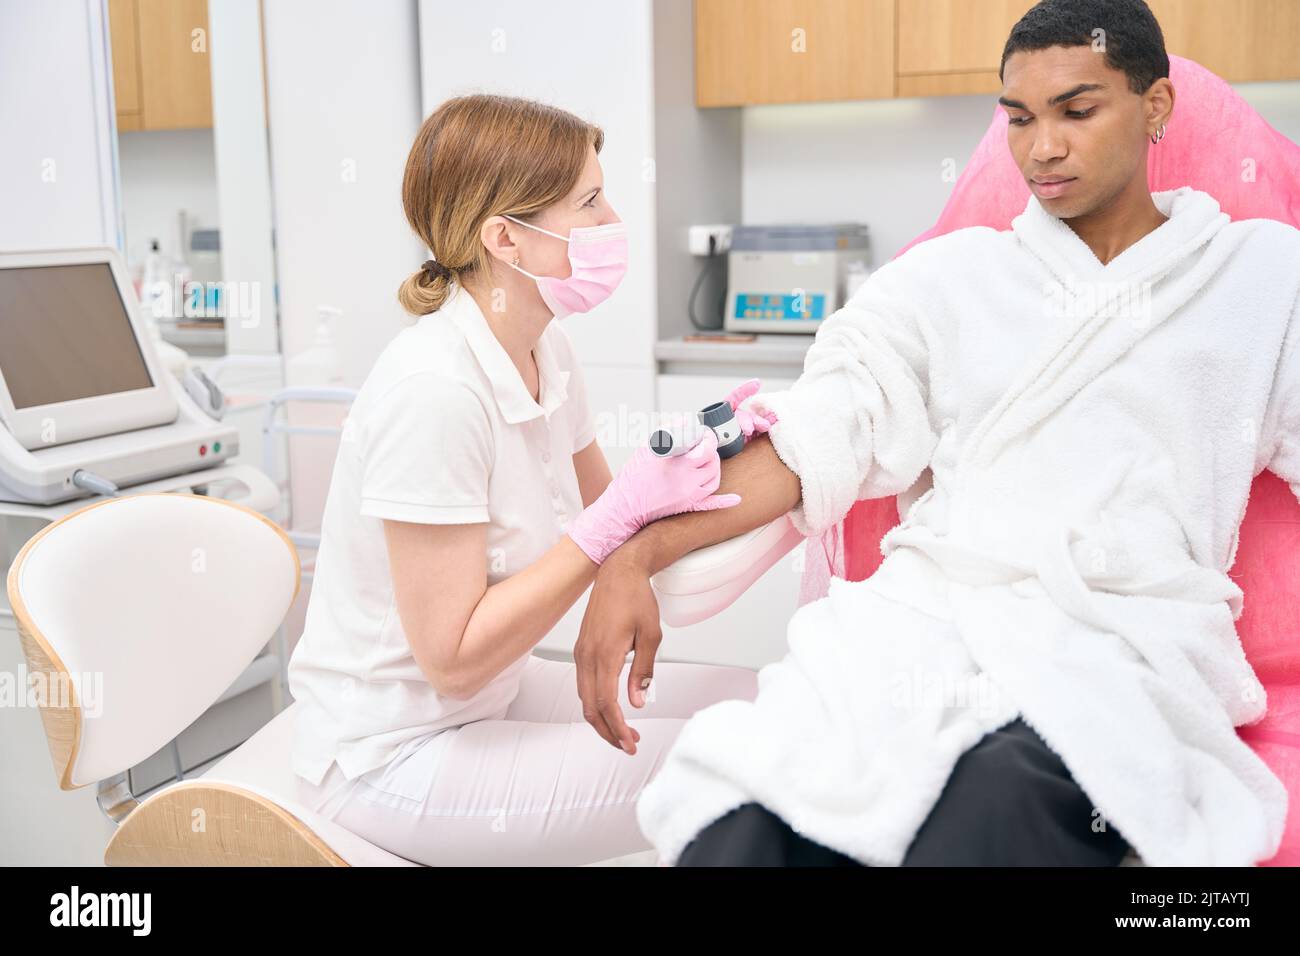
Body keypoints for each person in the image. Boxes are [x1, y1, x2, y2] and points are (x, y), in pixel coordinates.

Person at [573, 0, 1300, 866]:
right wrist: (635, 554)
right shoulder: (951, 279)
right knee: (747, 824)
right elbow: (818, 431)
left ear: (1155, 109)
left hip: (1119, 638)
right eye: (1020, 119)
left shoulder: (1260, 279)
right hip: (926, 619)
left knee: (996, 810)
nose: (1042, 148)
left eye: (1077, 110)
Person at [287, 93, 773, 866]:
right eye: (589, 200)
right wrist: (616, 519)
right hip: (392, 751)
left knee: (766, 703)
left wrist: (728, 451)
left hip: (492, 698)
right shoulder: (434, 392)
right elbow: (452, 656)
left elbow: (624, 520)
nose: (613, 216)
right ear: (505, 237)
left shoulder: (548, 351)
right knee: (751, 765)